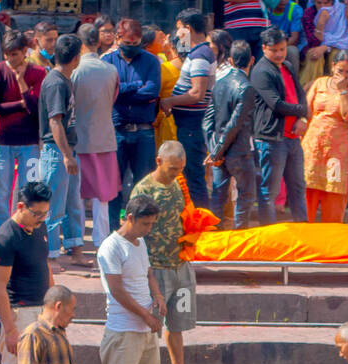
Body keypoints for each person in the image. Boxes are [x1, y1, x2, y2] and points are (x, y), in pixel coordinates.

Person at [98, 194, 165, 364]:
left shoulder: (140, 243)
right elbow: (117, 291)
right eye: (145, 224)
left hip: (146, 328)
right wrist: (145, 316)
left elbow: (148, 274)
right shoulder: (110, 247)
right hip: (123, 329)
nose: (148, 229)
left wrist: (157, 296)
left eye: (151, 224)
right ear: (129, 218)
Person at [131, 141, 198, 364]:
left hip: (180, 265)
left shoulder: (179, 184)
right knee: (150, 326)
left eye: (180, 168)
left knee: (178, 324)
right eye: (172, 168)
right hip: (155, 268)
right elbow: (131, 230)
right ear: (158, 161)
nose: (176, 173)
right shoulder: (143, 190)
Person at [0, 180, 53, 364]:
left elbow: (45, 264)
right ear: (20, 207)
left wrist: (53, 304)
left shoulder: (39, 226)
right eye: (36, 214)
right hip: (18, 313)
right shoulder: (5, 238)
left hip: (42, 312)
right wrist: (9, 330)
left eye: (45, 214)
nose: (41, 219)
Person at [105, 19, 162, 229]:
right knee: (114, 185)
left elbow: (152, 92)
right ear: (118, 38)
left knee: (143, 184)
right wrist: (136, 86)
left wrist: (122, 90)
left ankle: (141, 229)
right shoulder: (108, 61)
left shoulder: (151, 61)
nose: (131, 46)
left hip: (144, 131)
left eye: (135, 42)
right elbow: (109, 92)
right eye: (127, 42)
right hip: (117, 130)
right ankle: (113, 229)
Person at [0, 31, 45, 236]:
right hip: (3, 141)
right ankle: (1, 235)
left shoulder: (38, 73)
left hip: (29, 142)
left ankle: (26, 233)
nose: (10, 59)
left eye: (15, 54)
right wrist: (21, 103)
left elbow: (35, 108)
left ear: (24, 52)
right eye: (7, 55)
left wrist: (21, 83)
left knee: (28, 191)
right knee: (2, 193)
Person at [252, 27, 309, 224]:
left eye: (282, 49)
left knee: (298, 187)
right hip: (272, 138)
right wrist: (302, 111)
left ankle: (302, 229)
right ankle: (267, 233)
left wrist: (302, 119)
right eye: (274, 50)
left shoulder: (287, 66)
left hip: (293, 137)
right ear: (264, 48)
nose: (278, 54)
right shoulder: (261, 71)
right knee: (270, 191)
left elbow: (300, 92)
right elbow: (276, 104)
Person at [72, 24, 120, 248]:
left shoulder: (74, 71)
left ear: (79, 44)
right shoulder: (110, 70)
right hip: (104, 137)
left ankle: (77, 237)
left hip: (79, 139)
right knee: (102, 195)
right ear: (97, 42)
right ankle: (101, 238)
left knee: (77, 194)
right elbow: (113, 99)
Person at [38, 33, 85, 264]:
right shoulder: (56, 82)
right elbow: (54, 121)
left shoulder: (65, 79)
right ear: (76, 58)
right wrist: (66, 155)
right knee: (53, 207)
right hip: (57, 152)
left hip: (67, 151)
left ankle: (75, 249)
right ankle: (50, 258)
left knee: (72, 203)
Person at [301, 50, 348, 222]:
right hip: (313, 146)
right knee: (309, 190)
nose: (344, 76)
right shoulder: (320, 83)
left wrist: (343, 92)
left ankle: (332, 235)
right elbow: (307, 110)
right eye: (340, 71)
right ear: (333, 66)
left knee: (334, 192)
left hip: (338, 150)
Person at [205, 40, 258, 229]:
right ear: (251, 60)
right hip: (239, 150)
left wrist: (214, 150)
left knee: (218, 194)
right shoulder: (246, 87)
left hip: (220, 149)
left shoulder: (219, 83)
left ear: (230, 60)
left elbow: (207, 122)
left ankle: (214, 234)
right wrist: (217, 151)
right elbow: (234, 124)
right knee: (245, 195)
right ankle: (239, 236)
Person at [165, 9, 215, 207]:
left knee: (194, 177)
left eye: (179, 30)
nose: (177, 35)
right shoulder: (196, 53)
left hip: (193, 126)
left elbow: (197, 94)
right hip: (188, 124)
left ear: (188, 28)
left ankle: (202, 223)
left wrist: (169, 102)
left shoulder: (201, 55)